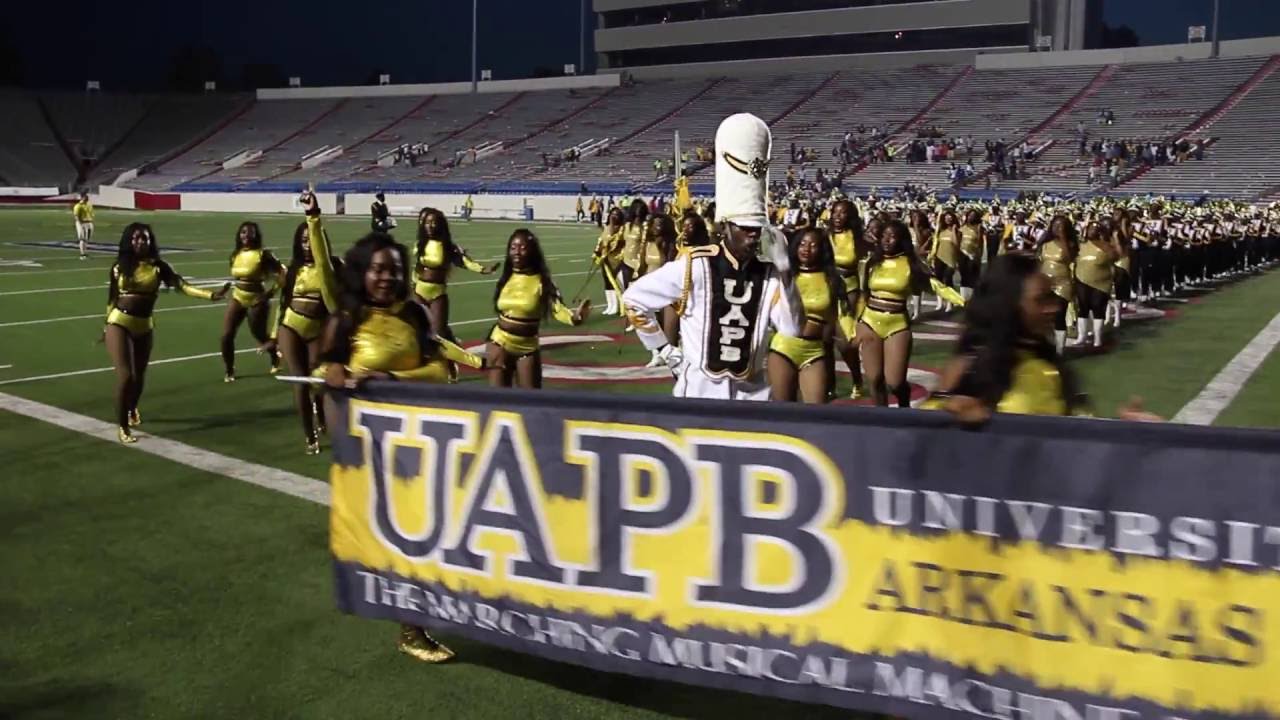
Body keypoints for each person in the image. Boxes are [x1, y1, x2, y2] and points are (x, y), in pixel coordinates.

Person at [315, 231, 483, 665]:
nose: (387, 277)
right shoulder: (345, 318)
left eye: (393, 269)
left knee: (438, 531)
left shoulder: (414, 313)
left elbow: (437, 369)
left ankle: (427, 613)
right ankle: (411, 629)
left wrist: (394, 382)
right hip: (376, 446)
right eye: (378, 269)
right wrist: (335, 374)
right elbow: (328, 371)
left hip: (426, 437)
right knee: (407, 537)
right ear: (362, 273)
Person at [623, 113, 801, 401]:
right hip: (699, 395)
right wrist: (665, 350)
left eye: (757, 228)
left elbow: (792, 330)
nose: (753, 235)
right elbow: (634, 298)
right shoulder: (696, 264)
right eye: (744, 228)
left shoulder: (769, 275)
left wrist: (787, 274)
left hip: (752, 396)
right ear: (726, 226)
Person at [924, 253, 1161, 422]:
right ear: (1007, 305)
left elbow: (1071, 435)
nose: (1053, 308)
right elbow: (922, 434)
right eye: (1041, 300)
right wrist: (951, 413)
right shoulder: (973, 363)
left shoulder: (1048, 361)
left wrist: (1125, 430)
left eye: (1051, 298)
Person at [104, 224, 229, 443]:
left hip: (144, 325)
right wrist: (106, 325)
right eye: (135, 238)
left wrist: (210, 295)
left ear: (150, 241)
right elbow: (112, 298)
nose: (140, 242)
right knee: (126, 377)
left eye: (144, 238)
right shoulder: (119, 267)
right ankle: (123, 426)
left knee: (139, 376)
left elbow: (182, 286)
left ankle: (132, 408)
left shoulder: (159, 267)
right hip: (119, 322)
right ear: (128, 241)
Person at [858, 219, 964, 407]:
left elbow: (936, 286)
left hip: (897, 324)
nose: (887, 240)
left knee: (895, 382)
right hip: (869, 322)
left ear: (901, 240)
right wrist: (855, 325)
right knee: (874, 379)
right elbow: (863, 294)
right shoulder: (871, 262)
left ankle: (904, 403)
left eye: (892, 236)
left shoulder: (911, 264)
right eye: (884, 236)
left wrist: (962, 301)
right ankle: (880, 417)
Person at [274, 193, 341, 454]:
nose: (306, 246)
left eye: (310, 241)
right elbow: (282, 304)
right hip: (290, 327)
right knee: (299, 382)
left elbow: (324, 260)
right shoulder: (293, 270)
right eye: (302, 241)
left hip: (317, 329)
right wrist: (273, 337)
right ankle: (309, 435)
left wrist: (313, 216)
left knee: (318, 382)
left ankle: (322, 418)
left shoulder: (330, 267)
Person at [485, 229, 590, 389]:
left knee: (530, 400)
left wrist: (574, 318)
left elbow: (557, 309)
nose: (517, 252)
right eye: (513, 248)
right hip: (499, 343)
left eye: (523, 248)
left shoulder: (543, 282)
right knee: (498, 402)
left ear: (532, 252)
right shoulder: (506, 277)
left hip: (527, 347)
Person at [769, 227, 855, 403]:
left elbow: (834, 321)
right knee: (783, 412)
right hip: (784, 349)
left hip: (815, 351)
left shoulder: (831, 279)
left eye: (813, 245)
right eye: (802, 244)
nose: (806, 249)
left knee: (816, 411)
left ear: (822, 250)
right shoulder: (784, 275)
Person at [410, 208, 497, 349]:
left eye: (434, 222)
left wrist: (482, 269)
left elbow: (463, 262)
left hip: (437, 293)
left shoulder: (448, 246)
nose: (430, 225)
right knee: (418, 331)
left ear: (440, 225)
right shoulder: (420, 244)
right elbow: (418, 267)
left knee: (439, 333)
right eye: (427, 222)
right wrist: (413, 283)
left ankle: (452, 352)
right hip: (419, 291)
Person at [221, 221, 284, 382]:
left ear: (256, 236)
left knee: (259, 335)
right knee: (226, 335)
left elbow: (283, 273)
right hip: (238, 297)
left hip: (257, 299)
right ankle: (229, 369)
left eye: (250, 232)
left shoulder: (263, 255)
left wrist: (269, 294)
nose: (246, 235)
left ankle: (274, 356)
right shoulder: (235, 254)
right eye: (243, 232)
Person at [827, 199, 866, 398]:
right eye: (835, 212)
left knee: (845, 342)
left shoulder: (856, 237)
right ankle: (829, 386)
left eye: (842, 213)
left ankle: (857, 379)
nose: (837, 217)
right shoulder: (824, 236)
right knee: (824, 341)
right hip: (823, 289)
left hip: (849, 289)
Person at [1073, 219, 1116, 348]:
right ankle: (1082, 336)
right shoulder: (1080, 245)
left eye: (1095, 229)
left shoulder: (1106, 245)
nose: (1092, 231)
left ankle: (1098, 338)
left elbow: (1114, 256)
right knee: (1083, 308)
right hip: (1082, 280)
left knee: (1098, 308)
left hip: (1101, 282)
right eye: (1090, 228)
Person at [1039, 215, 1077, 353]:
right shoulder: (1045, 244)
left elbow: (1069, 258)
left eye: (1061, 226)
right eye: (1055, 226)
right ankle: (1047, 346)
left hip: (1063, 282)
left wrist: (1063, 239)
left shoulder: (1070, 244)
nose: (1058, 228)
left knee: (1059, 315)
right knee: (1044, 316)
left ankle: (1060, 349)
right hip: (1046, 282)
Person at [593, 207, 627, 316]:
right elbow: (601, 241)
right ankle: (610, 305)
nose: (614, 216)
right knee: (607, 283)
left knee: (616, 284)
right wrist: (597, 253)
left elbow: (617, 242)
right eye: (612, 214)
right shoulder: (606, 227)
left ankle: (617, 306)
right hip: (606, 259)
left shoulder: (622, 229)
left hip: (617, 260)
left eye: (616, 214)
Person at [73, 191, 94, 260]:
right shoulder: (78, 206)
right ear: (82, 197)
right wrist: (80, 224)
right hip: (82, 223)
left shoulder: (89, 205)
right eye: (85, 196)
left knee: (87, 239)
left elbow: (91, 213)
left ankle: (85, 252)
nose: (87, 198)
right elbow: (76, 216)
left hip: (89, 222)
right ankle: (82, 254)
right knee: (82, 238)